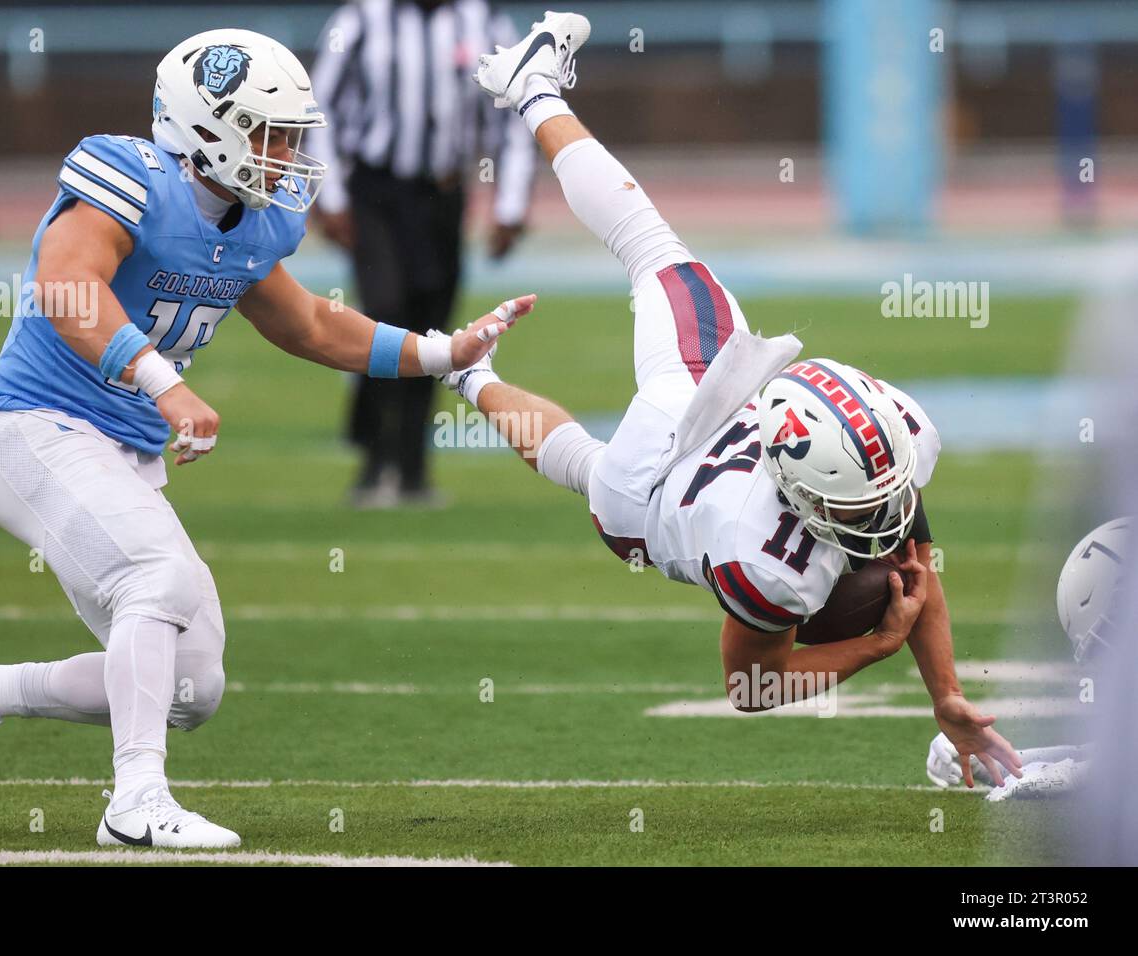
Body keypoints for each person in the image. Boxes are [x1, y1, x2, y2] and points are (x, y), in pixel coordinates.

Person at [0, 28, 532, 848]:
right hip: (33, 427)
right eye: (271, 134)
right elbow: (64, 288)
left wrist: (443, 353)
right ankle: (134, 802)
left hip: (118, 451)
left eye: (291, 137)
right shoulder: (130, 177)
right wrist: (166, 385)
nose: (286, 154)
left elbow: (309, 322)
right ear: (209, 126)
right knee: (157, 577)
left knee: (193, 684)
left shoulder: (254, 223)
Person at [438, 11, 1023, 786]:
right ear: (804, 490)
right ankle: (464, 366)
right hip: (679, 456)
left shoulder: (871, 462)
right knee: (588, 450)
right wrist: (877, 649)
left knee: (642, 277)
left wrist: (946, 695)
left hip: (650, 498)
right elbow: (751, 686)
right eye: (860, 509)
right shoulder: (771, 566)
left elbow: (907, 560)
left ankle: (468, 360)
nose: (888, 517)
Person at [308, 0, 536, 507]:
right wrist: (334, 197)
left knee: (433, 323)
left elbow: (516, 112)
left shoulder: (485, 22)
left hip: (443, 195)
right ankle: (373, 459)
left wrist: (510, 202)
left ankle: (412, 471)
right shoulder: (361, 19)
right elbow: (316, 107)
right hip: (376, 193)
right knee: (386, 312)